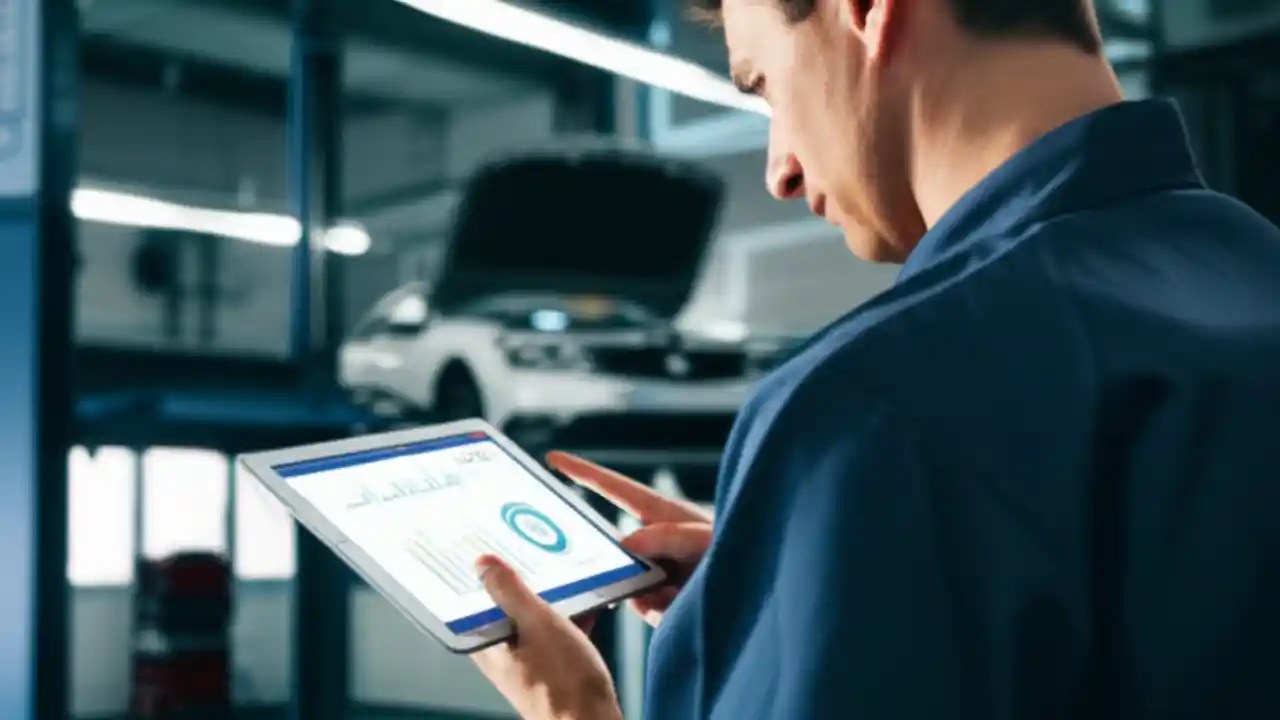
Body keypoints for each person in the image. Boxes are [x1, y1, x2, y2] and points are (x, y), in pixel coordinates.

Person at [468, 0, 1280, 717]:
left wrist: (572, 712)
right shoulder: (1252, 268)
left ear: (866, 10)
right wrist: (821, 568)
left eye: (765, 88)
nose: (781, 169)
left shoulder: (876, 399)